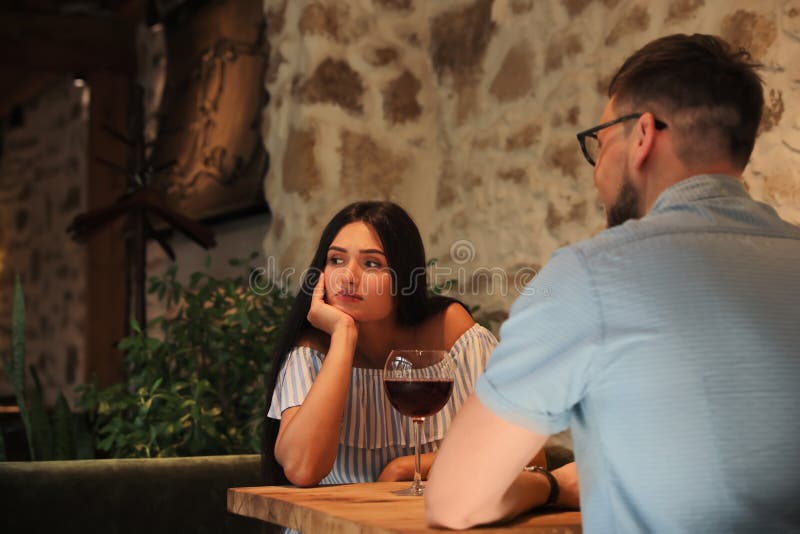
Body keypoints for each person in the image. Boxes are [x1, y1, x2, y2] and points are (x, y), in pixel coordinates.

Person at [425, 33, 800, 532]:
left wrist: (554, 486)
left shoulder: (590, 275)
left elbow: (455, 501)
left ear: (642, 136)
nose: (598, 171)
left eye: (599, 145)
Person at [261, 201, 501, 490]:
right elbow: (302, 469)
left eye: (371, 264)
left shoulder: (452, 333)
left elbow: (524, 453)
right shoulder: (311, 350)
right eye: (336, 260)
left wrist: (406, 468)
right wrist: (343, 336)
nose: (348, 276)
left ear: (403, 277)